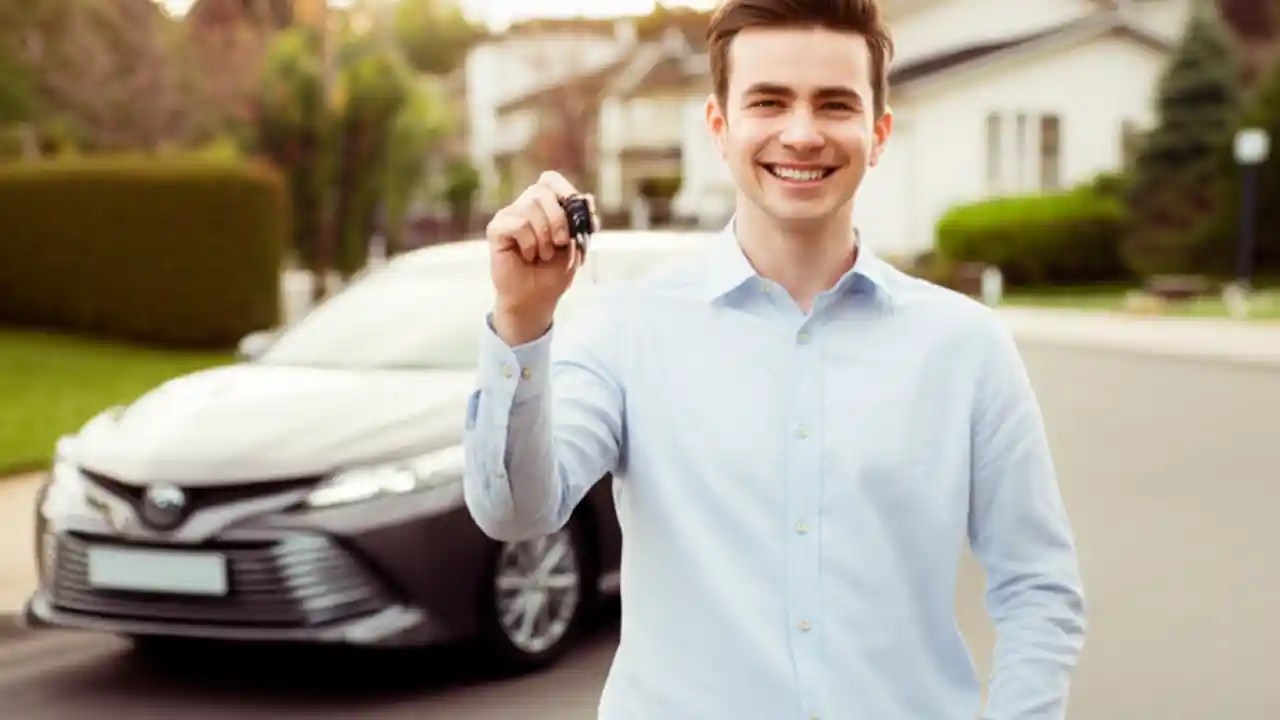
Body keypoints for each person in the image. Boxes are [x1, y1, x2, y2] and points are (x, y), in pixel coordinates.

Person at [462, 0, 1087, 717]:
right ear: (719, 127)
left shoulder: (967, 347)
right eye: (769, 101)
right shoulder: (626, 329)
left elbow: (1038, 587)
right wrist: (521, 318)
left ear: (878, 133)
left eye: (834, 104)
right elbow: (515, 513)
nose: (801, 133)